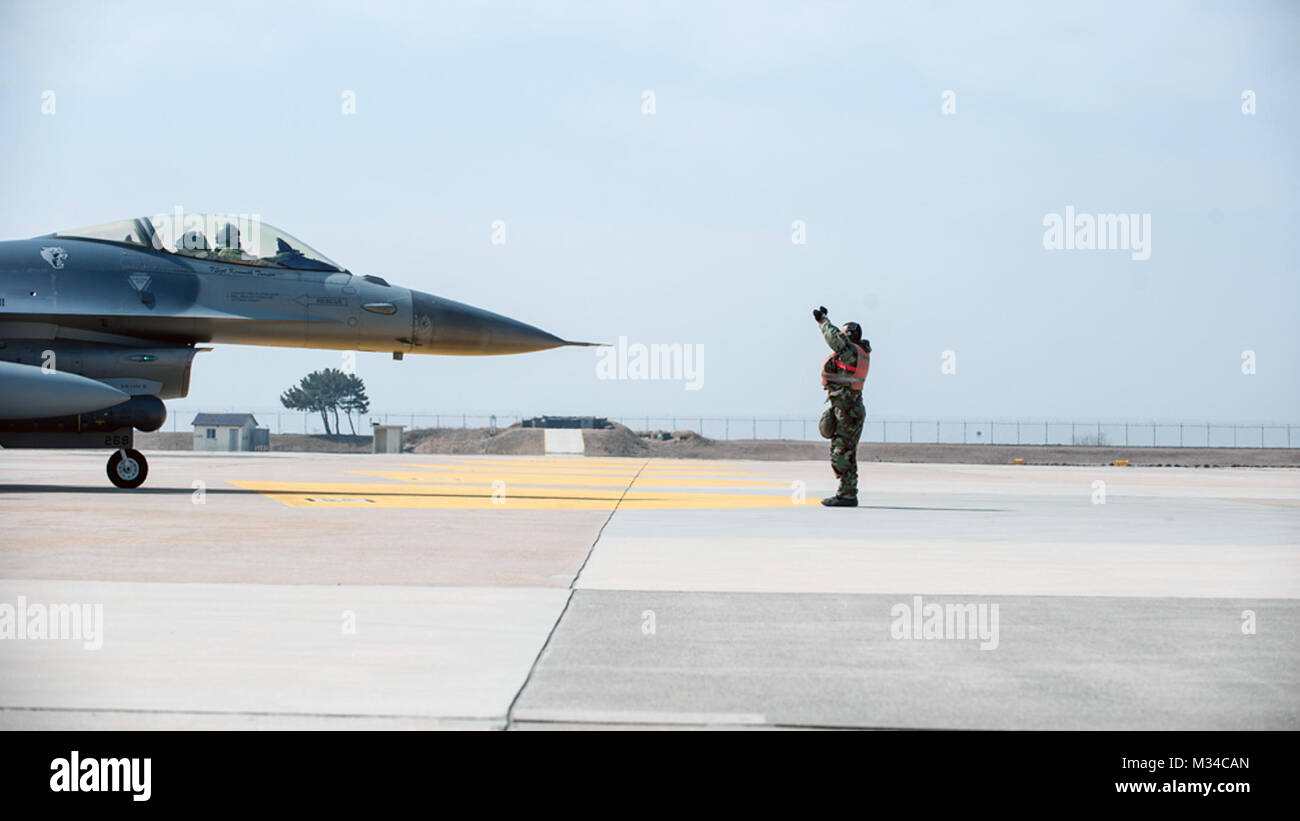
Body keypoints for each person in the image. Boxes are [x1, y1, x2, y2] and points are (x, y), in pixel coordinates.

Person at [813, 305, 870, 507]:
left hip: (848, 409)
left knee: (842, 454)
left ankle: (847, 495)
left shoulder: (851, 353)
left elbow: (835, 340)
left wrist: (823, 322)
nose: (842, 336)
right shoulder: (853, 353)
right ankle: (847, 493)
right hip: (845, 407)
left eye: (845, 333)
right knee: (845, 452)